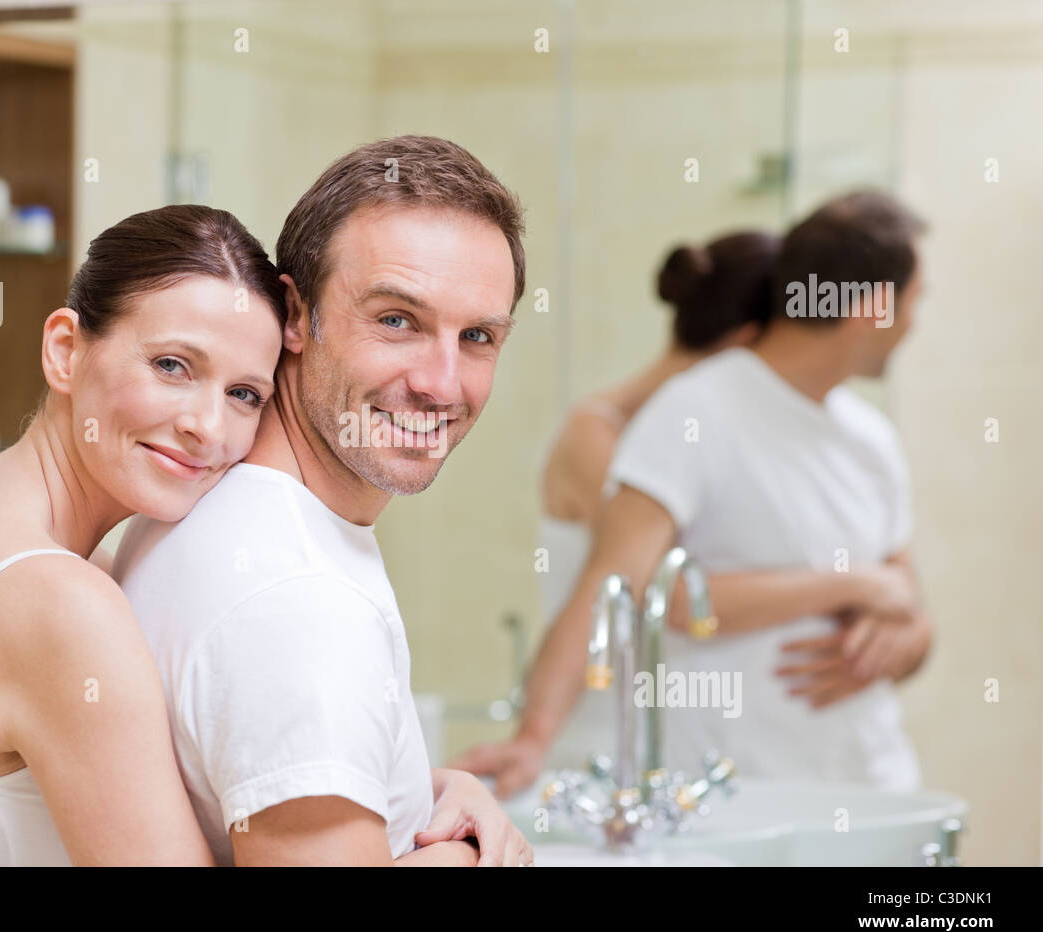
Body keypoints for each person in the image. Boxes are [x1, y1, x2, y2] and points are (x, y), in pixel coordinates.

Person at [0, 203, 505, 866]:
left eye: (245, 394)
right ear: (65, 351)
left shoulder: (9, 532)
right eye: (172, 366)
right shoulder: (56, 601)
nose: (207, 427)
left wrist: (436, 789)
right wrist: (464, 857)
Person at [113, 135, 536, 866]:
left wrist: (424, 793)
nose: (441, 382)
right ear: (294, 314)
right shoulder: (297, 599)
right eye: (397, 319)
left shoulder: (215, 511)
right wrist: (468, 857)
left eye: (476, 336)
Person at [457, 191, 933, 797]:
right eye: (915, 301)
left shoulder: (874, 440)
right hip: (743, 797)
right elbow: (615, 589)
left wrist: (907, 634)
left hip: (874, 785)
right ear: (874, 308)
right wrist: (533, 737)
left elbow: (908, 600)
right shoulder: (694, 413)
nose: (917, 321)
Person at [529, 231, 779, 771]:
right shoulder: (594, 437)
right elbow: (681, 592)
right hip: (601, 746)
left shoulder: (704, 439)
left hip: (676, 746)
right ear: (746, 341)